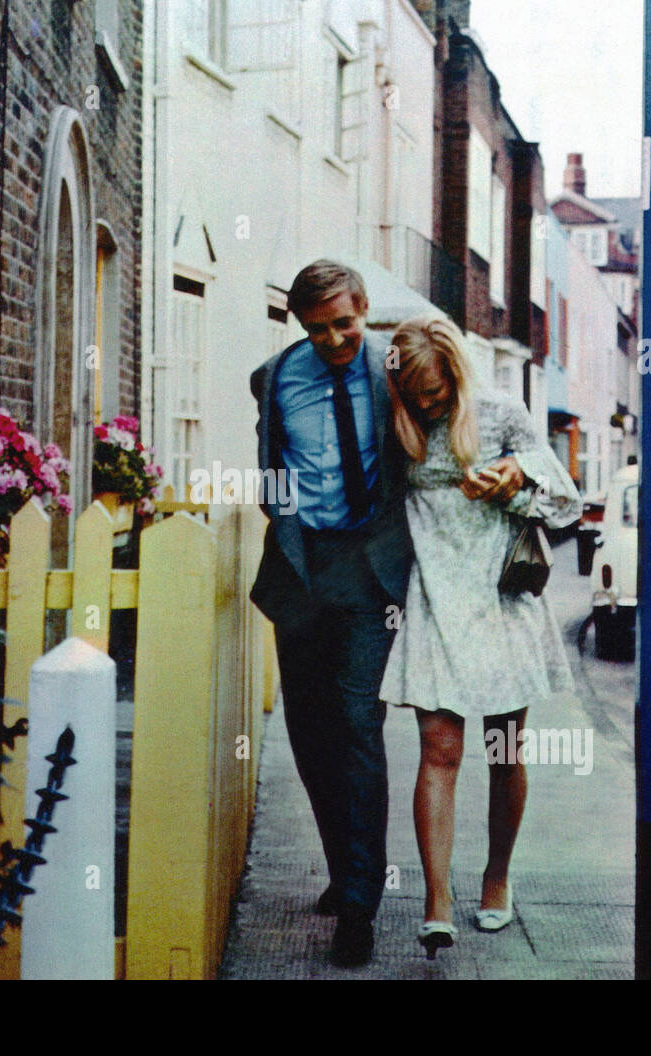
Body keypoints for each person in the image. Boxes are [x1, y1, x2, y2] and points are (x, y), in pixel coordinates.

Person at [377, 314, 582, 957]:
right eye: (416, 397)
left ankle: (497, 878)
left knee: (503, 751)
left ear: (457, 374)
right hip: (435, 598)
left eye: (437, 393)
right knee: (438, 750)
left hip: (500, 599)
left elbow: (568, 504)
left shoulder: (500, 413)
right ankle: (437, 901)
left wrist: (515, 486)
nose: (429, 406)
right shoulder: (399, 424)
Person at [249, 260, 411, 967]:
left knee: (355, 724)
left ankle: (360, 903)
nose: (335, 339)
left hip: (368, 570)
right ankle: (343, 868)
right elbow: (271, 465)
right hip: (300, 568)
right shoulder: (276, 376)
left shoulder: (398, 368)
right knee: (308, 728)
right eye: (318, 329)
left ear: (364, 310)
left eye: (344, 323)